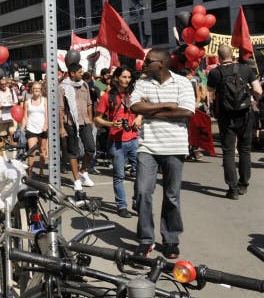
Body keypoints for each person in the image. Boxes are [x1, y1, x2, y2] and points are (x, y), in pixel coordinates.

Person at [130, 49, 195, 259]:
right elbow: (134, 106)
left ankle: (171, 239)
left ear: (162, 63)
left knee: (171, 195)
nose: (144, 64)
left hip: (175, 146)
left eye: (148, 61)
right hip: (147, 146)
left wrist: (149, 110)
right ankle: (146, 239)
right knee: (142, 192)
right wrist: (167, 105)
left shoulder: (182, 83)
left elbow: (186, 112)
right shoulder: (142, 83)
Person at [206, 44, 262, 199]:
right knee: (244, 150)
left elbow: (209, 93)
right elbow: (258, 91)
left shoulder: (215, 73)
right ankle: (244, 184)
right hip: (245, 114)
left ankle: (233, 189)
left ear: (218, 56)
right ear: (233, 55)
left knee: (229, 152)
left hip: (225, 116)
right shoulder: (246, 70)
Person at [94, 66, 141, 218]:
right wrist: (111, 124)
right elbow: (97, 119)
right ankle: (122, 206)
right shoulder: (107, 97)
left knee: (141, 174)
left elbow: (141, 110)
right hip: (116, 142)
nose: (127, 80)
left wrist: (139, 117)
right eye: (124, 77)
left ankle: (137, 201)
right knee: (119, 176)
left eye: (129, 77)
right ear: (116, 78)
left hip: (134, 139)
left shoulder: (133, 94)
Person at [59, 60, 96, 201]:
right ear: (72, 73)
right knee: (72, 152)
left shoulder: (84, 84)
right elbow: (61, 109)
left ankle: (83, 171)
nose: (82, 74)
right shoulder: (62, 87)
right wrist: (62, 128)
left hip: (85, 121)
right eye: (80, 72)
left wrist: (90, 121)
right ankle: (76, 180)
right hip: (70, 123)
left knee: (91, 149)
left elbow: (89, 104)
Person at [20, 81, 48, 178]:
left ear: (41, 90)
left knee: (42, 150)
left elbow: (47, 114)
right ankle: (30, 172)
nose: (36, 90)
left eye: (38, 88)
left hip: (42, 128)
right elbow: (25, 116)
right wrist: (22, 128)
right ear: (32, 90)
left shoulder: (45, 100)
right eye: (35, 88)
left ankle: (41, 171)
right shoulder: (27, 102)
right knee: (31, 151)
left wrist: (46, 124)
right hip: (31, 128)